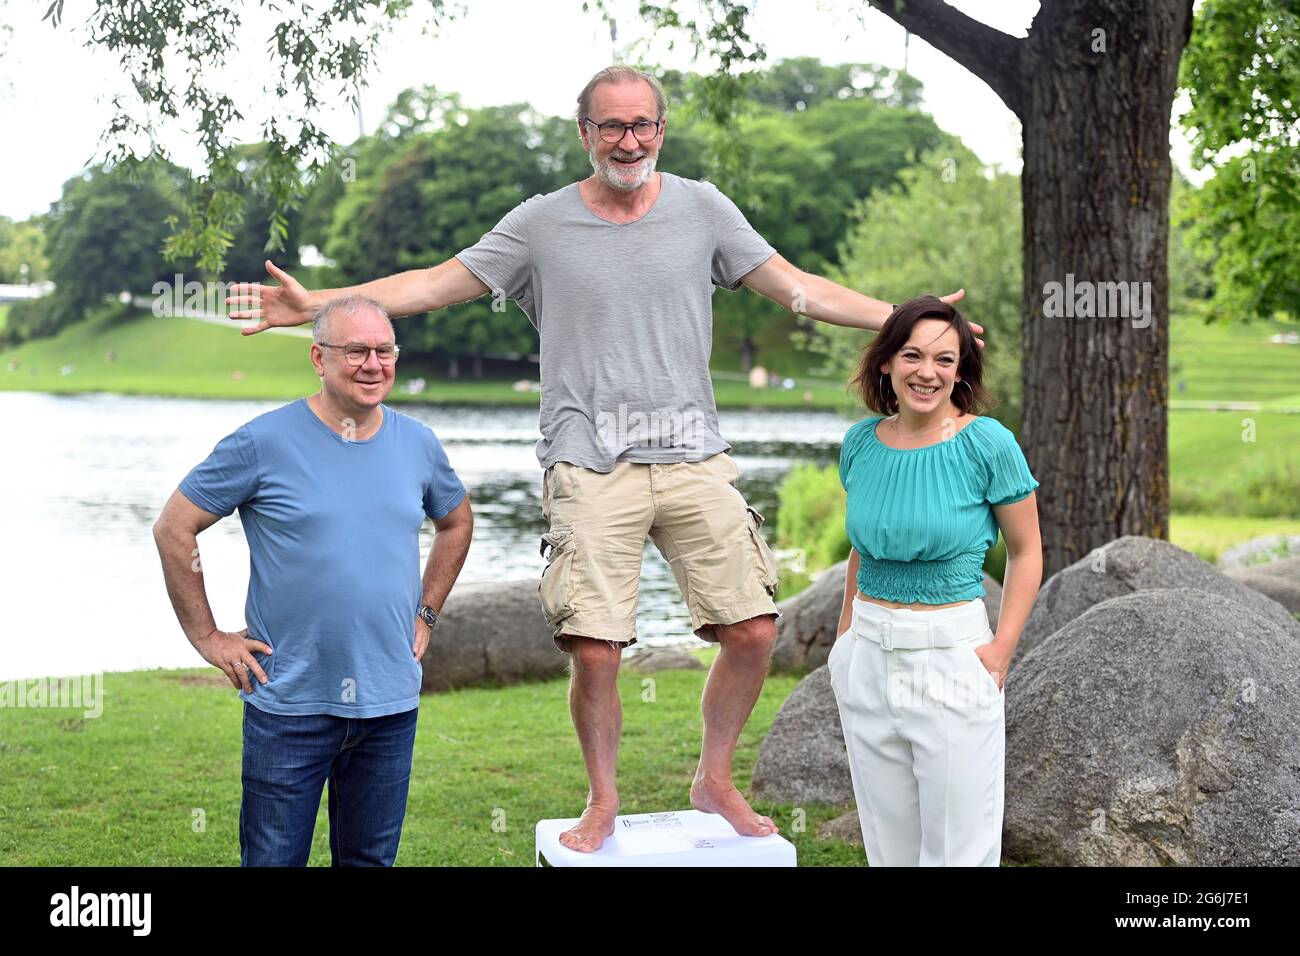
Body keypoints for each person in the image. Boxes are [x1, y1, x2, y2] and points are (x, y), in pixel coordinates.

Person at [222, 66, 979, 853]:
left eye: (643, 125)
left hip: (693, 453)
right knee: (595, 645)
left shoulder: (704, 209)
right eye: (611, 127)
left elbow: (796, 289)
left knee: (754, 628)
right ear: (585, 134)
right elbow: (435, 284)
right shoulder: (539, 226)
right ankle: (603, 800)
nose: (629, 141)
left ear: (661, 131)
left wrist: (905, 321)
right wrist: (319, 306)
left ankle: (714, 778)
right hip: (588, 462)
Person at [153, 295, 473, 865]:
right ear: (318, 358)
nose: (372, 364)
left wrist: (427, 611)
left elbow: (456, 521)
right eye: (355, 351)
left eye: (384, 350)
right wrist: (207, 637)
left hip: (389, 706)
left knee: (369, 862)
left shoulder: (418, 443)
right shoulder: (263, 442)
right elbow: (175, 527)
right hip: (289, 707)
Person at [829, 295, 1041, 866]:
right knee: (888, 848)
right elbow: (864, 546)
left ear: (960, 370)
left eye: (945, 360)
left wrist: (1000, 651)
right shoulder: (860, 444)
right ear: (886, 363)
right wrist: (845, 639)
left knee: (957, 852)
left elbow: (1026, 552)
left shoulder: (987, 443)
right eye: (913, 355)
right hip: (866, 659)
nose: (928, 372)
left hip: (953, 658)